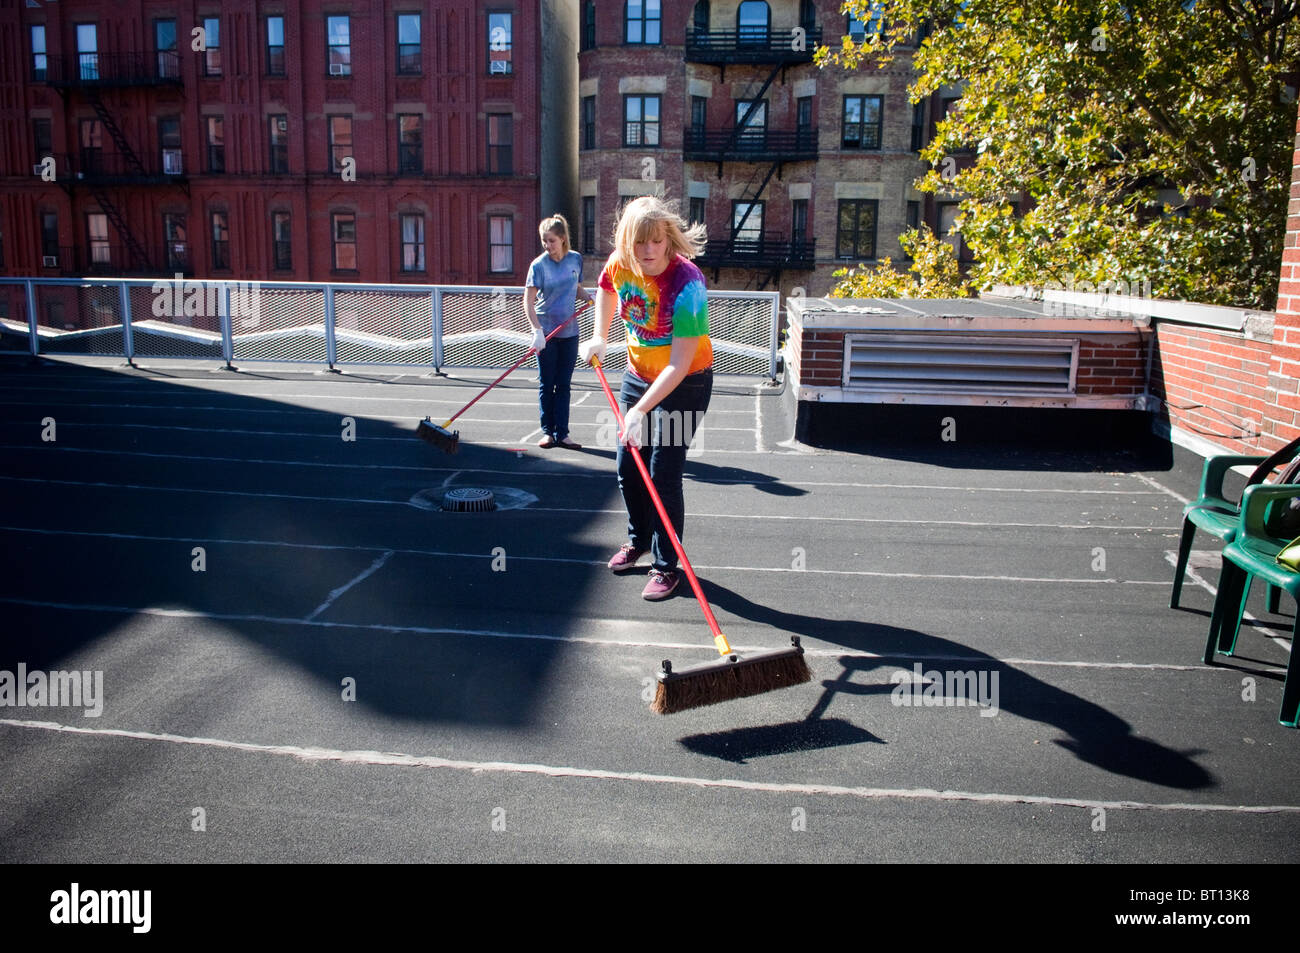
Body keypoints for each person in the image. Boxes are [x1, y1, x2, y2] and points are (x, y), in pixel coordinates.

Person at [581, 196, 712, 601]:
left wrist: (639, 411)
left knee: (663, 475)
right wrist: (601, 336)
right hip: (638, 376)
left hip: (685, 384)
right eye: (640, 242)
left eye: (656, 241)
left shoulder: (687, 284)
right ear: (627, 242)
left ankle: (666, 565)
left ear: (669, 239)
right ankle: (638, 540)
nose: (648, 251)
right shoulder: (621, 262)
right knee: (628, 467)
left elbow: (678, 364)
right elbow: (605, 289)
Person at [525, 213, 591, 449]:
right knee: (547, 383)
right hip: (547, 334)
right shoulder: (538, 265)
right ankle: (547, 432)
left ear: (562, 239)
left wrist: (589, 299)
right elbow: (528, 302)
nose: (547, 245)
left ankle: (562, 433)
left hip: (570, 333)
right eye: (544, 241)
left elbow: (576, 288)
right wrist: (537, 331)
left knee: (564, 384)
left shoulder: (575, 259)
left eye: (551, 240)